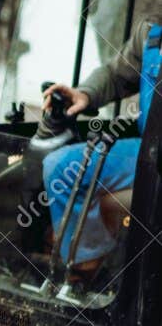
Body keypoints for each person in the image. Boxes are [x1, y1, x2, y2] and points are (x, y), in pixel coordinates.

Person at [41, 18, 162, 271]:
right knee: (59, 166)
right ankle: (86, 268)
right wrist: (84, 94)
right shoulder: (151, 32)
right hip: (148, 149)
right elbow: (115, 75)